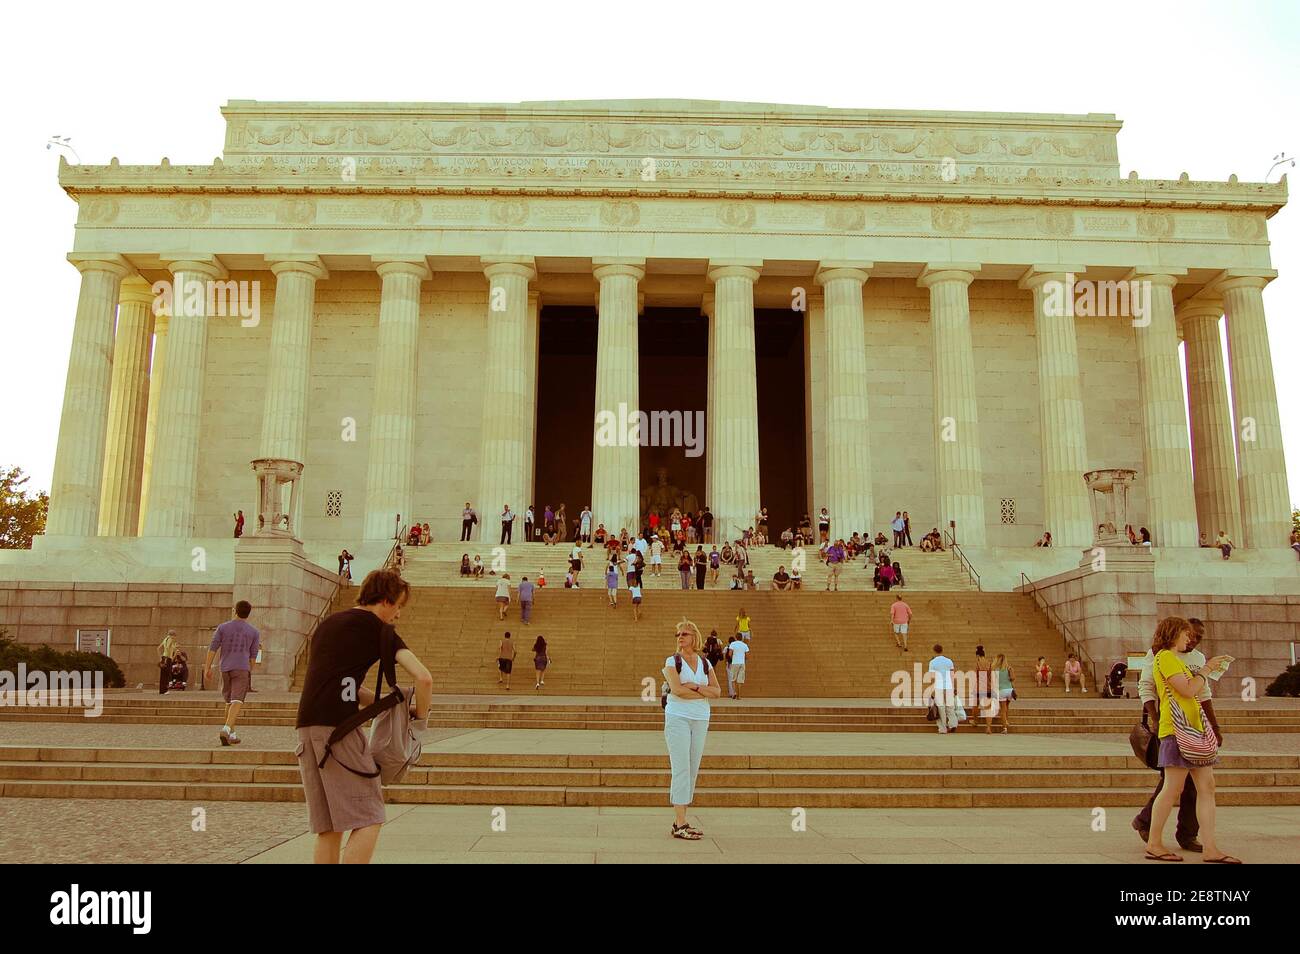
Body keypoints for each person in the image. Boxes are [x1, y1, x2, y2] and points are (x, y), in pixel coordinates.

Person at [294, 569, 433, 864]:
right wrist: (419, 718)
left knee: (329, 826)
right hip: (339, 732)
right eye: (398, 606)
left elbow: (346, 686)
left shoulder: (327, 624)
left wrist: (389, 704)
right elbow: (424, 678)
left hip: (307, 730)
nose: (398, 615)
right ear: (385, 600)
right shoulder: (377, 630)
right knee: (370, 814)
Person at [1143, 616, 1238, 863]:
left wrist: (1204, 672)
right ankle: (1154, 843)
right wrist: (1205, 671)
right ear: (1174, 634)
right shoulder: (1164, 657)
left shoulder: (1178, 660)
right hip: (1176, 731)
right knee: (1172, 788)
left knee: (1206, 787)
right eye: (1186, 634)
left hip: (1192, 731)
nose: (1190, 639)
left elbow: (1193, 690)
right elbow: (1186, 690)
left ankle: (1210, 848)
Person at [663, 620, 721, 839]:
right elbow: (676, 690)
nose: (680, 637)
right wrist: (702, 692)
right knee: (681, 768)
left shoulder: (705, 663)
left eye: (684, 633)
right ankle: (679, 823)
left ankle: (682, 820)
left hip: (700, 718)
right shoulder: (672, 661)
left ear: (694, 637)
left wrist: (694, 687)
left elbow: (717, 692)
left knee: (692, 768)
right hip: (678, 717)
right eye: (678, 634)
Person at [204, 600, 260, 746]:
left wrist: (207, 667)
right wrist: (249, 671)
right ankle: (226, 728)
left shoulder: (223, 627)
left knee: (229, 701)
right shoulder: (254, 632)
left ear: (235, 610)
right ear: (248, 613)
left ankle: (232, 734)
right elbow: (253, 656)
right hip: (242, 667)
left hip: (225, 667)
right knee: (237, 700)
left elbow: (213, 648)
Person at [928, 644, 957, 734]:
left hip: (939, 686)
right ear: (942, 650)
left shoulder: (932, 662)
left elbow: (932, 677)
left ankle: (943, 728)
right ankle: (953, 724)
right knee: (950, 706)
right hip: (949, 686)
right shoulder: (949, 661)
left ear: (934, 651)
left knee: (940, 707)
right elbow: (952, 675)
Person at [988, 652, 1014, 733]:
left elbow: (993, 681)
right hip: (1010, 690)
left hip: (1001, 690)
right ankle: (1006, 721)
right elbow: (1013, 678)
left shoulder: (995, 670)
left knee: (1003, 709)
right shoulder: (1009, 668)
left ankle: (1004, 728)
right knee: (1006, 707)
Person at [725, 632, 749, 700]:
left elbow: (729, 654)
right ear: (742, 638)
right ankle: (739, 696)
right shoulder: (745, 645)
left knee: (733, 679)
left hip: (735, 662)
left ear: (736, 637)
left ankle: (735, 692)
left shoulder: (733, 644)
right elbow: (747, 656)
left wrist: (734, 657)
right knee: (740, 680)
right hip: (742, 663)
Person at [158, 629, 180, 695]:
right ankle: (165, 690)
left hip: (164, 657)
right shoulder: (171, 639)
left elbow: (158, 648)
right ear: (173, 635)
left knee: (163, 675)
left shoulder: (165, 639)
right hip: (167, 658)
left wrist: (160, 658)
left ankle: (161, 690)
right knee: (166, 675)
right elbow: (167, 648)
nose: (175, 637)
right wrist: (172, 655)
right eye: (175, 636)